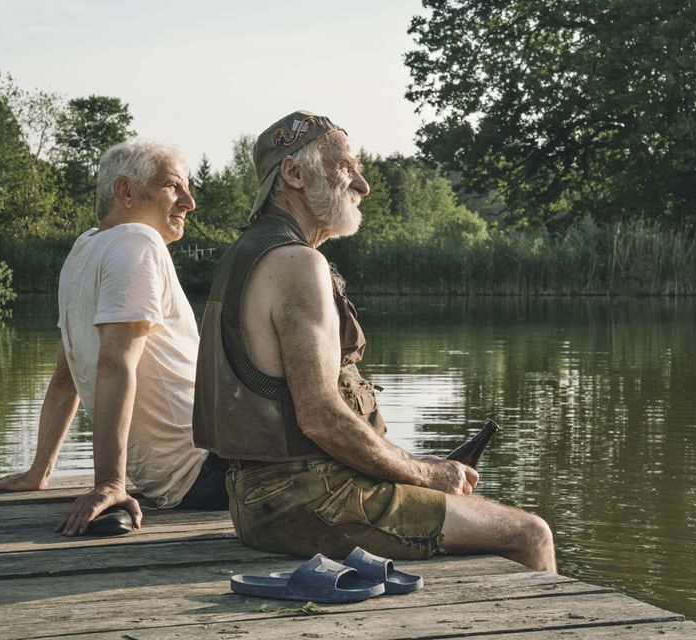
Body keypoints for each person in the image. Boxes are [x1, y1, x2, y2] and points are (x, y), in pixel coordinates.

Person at [192, 111, 556, 571]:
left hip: (259, 500)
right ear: (294, 173)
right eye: (347, 167)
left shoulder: (245, 253)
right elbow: (320, 418)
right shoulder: (297, 264)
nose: (363, 185)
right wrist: (427, 473)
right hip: (314, 501)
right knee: (529, 534)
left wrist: (412, 468)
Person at [0, 140, 228, 535]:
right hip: (210, 470)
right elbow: (115, 364)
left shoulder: (82, 250)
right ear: (126, 191)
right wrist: (110, 484)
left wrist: (40, 471)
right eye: (174, 186)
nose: (189, 201)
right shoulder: (139, 241)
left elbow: (66, 375)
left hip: (177, 480)